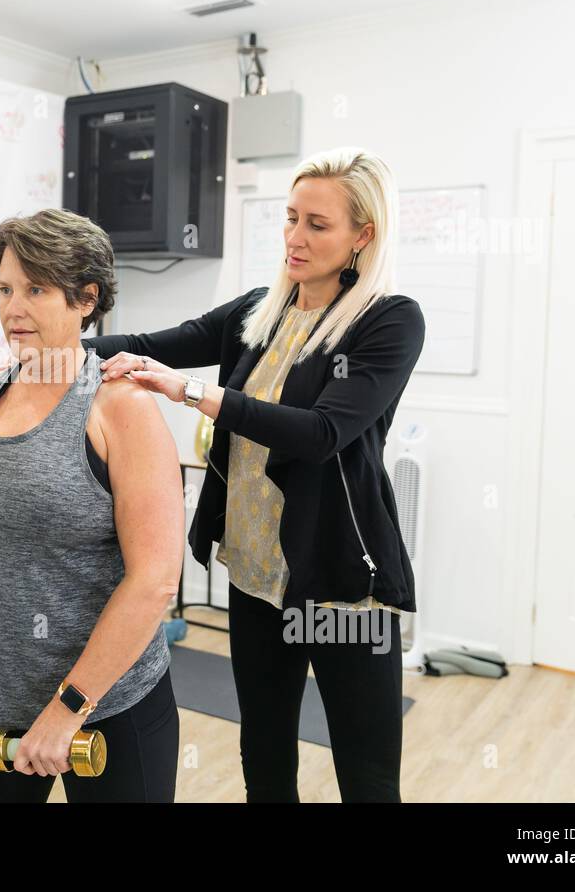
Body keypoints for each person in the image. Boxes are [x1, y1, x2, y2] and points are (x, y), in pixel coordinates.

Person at [83, 146, 425, 802]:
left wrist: (189, 394)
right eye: (291, 217)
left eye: (317, 225)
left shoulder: (389, 321)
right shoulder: (258, 312)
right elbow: (152, 345)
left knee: (368, 772)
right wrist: (54, 341)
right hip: (256, 573)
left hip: (340, 586)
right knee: (263, 753)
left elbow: (322, 434)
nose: (295, 237)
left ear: (364, 235)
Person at [0, 208, 183, 802]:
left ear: (86, 299)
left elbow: (156, 579)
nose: (13, 308)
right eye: (5, 288)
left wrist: (68, 708)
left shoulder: (119, 407)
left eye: (36, 289)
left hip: (108, 706)